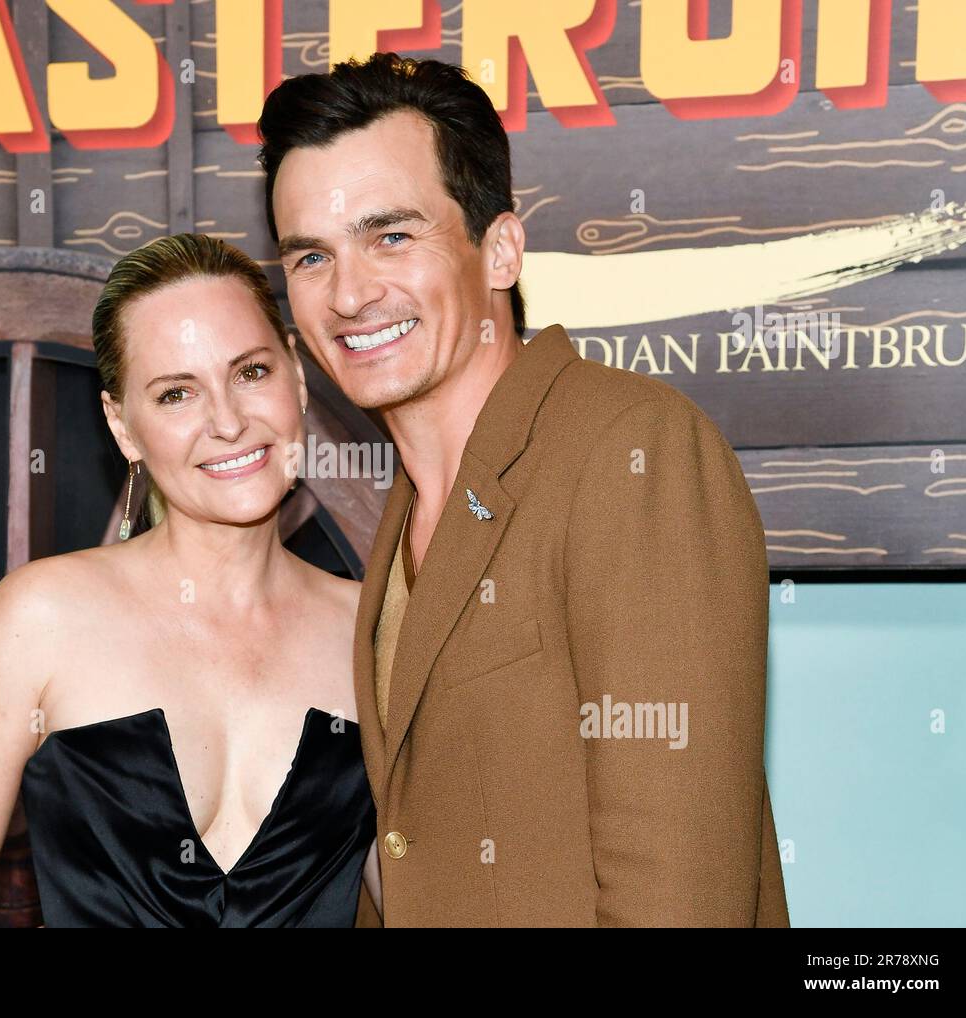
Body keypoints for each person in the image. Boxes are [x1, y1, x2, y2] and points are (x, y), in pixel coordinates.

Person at [258, 52, 791, 926]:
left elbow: (681, 894)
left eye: (392, 235)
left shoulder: (631, 451)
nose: (350, 292)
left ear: (500, 249)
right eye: (312, 257)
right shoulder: (407, 510)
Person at [0, 234, 379, 927]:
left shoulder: (376, 635)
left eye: (251, 372)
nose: (229, 422)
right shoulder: (40, 621)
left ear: (295, 377)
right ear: (123, 425)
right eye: (177, 394)